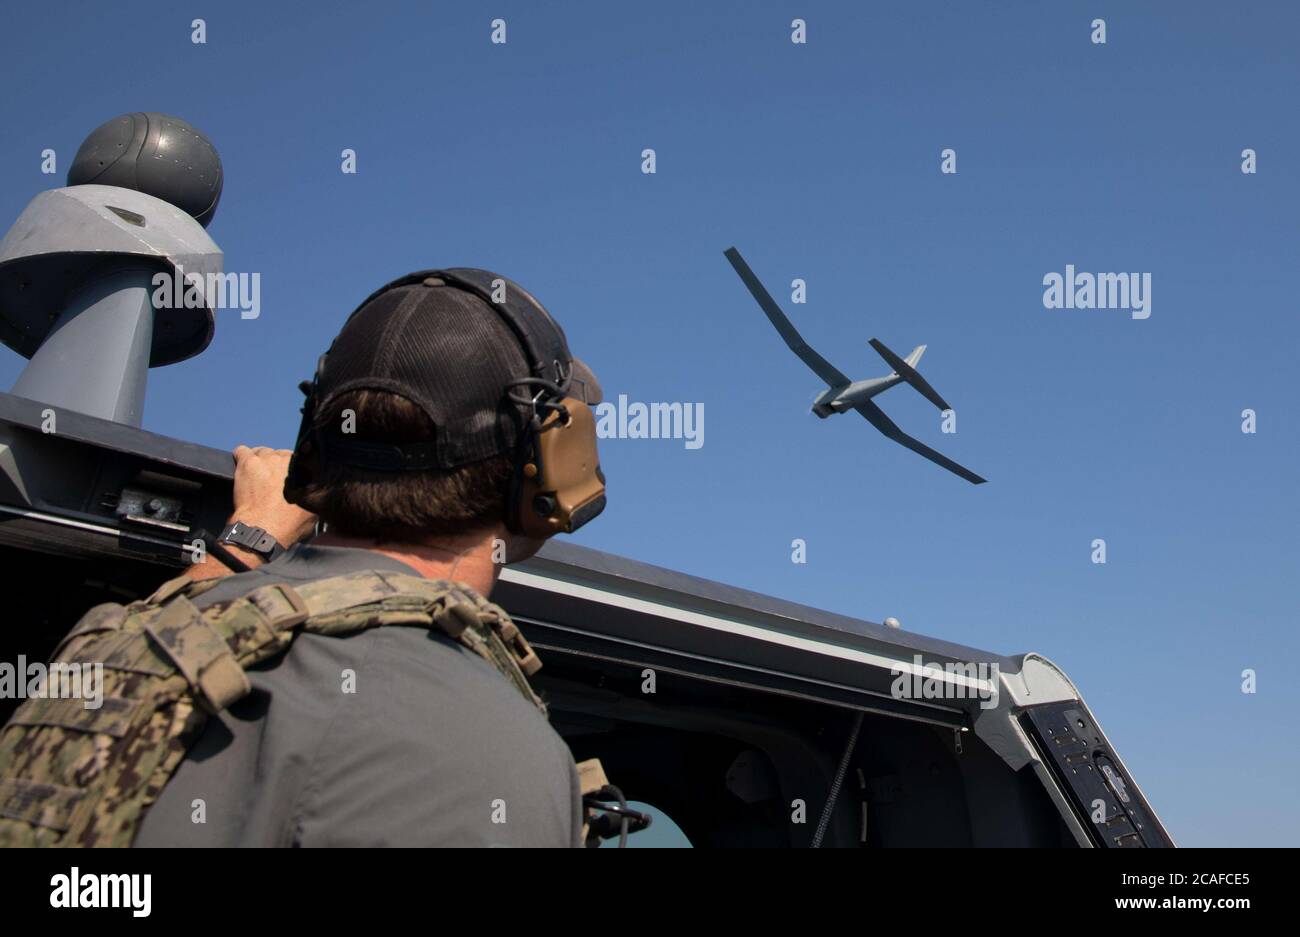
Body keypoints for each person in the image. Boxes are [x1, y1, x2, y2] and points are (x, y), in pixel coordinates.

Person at [132, 269, 605, 847]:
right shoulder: (487, 745)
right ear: (556, 459)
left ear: (312, 447)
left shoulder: (120, 652)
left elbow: (172, 650)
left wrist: (247, 541)